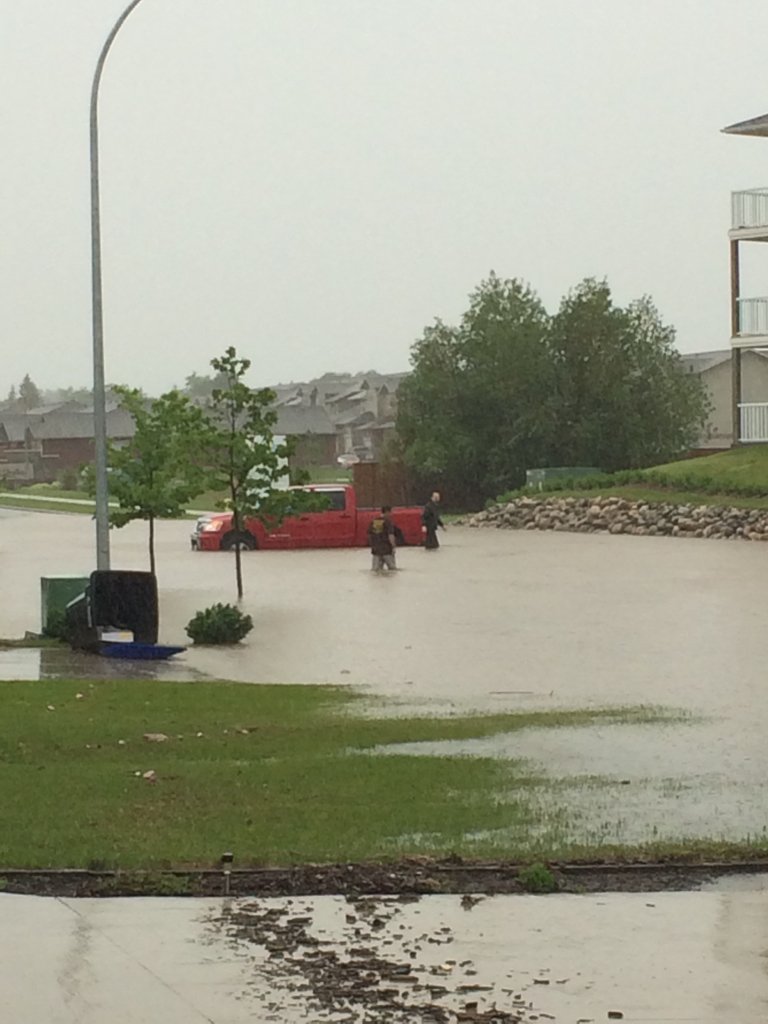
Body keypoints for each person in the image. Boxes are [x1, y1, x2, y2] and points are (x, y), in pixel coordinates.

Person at [368, 505, 397, 572]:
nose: (391, 514)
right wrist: (393, 546)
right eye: (390, 512)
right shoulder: (388, 522)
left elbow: (369, 535)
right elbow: (391, 536)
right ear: (387, 512)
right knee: (393, 570)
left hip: (376, 550)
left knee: (375, 570)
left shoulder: (374, 521)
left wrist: (373, 546)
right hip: (386, 550)